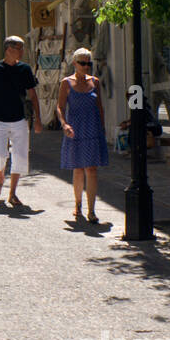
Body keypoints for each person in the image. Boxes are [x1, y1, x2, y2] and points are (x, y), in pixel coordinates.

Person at [0, 36, 41, 207]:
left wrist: (38, 120)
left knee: (20, 155)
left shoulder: (25, 69)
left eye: (22, 48)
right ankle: (0, 177)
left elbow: (33, 95)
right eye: (19, 48)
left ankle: (12, 193)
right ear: (8, 49)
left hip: (19, 119)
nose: (22, 51)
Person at [57, 47, 110, 222]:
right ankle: (78, 204)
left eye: (88, 63)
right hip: (75, 129)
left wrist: (102, 128)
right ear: (74, 63)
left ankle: (92, 211)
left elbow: (100, 107)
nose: (86, 66)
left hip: (92, 129)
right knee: (78, 168)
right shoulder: (66, 82)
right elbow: (60, 107)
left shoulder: (95, 81)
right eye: (82, 63)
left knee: (92, 169)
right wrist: (64, 124)